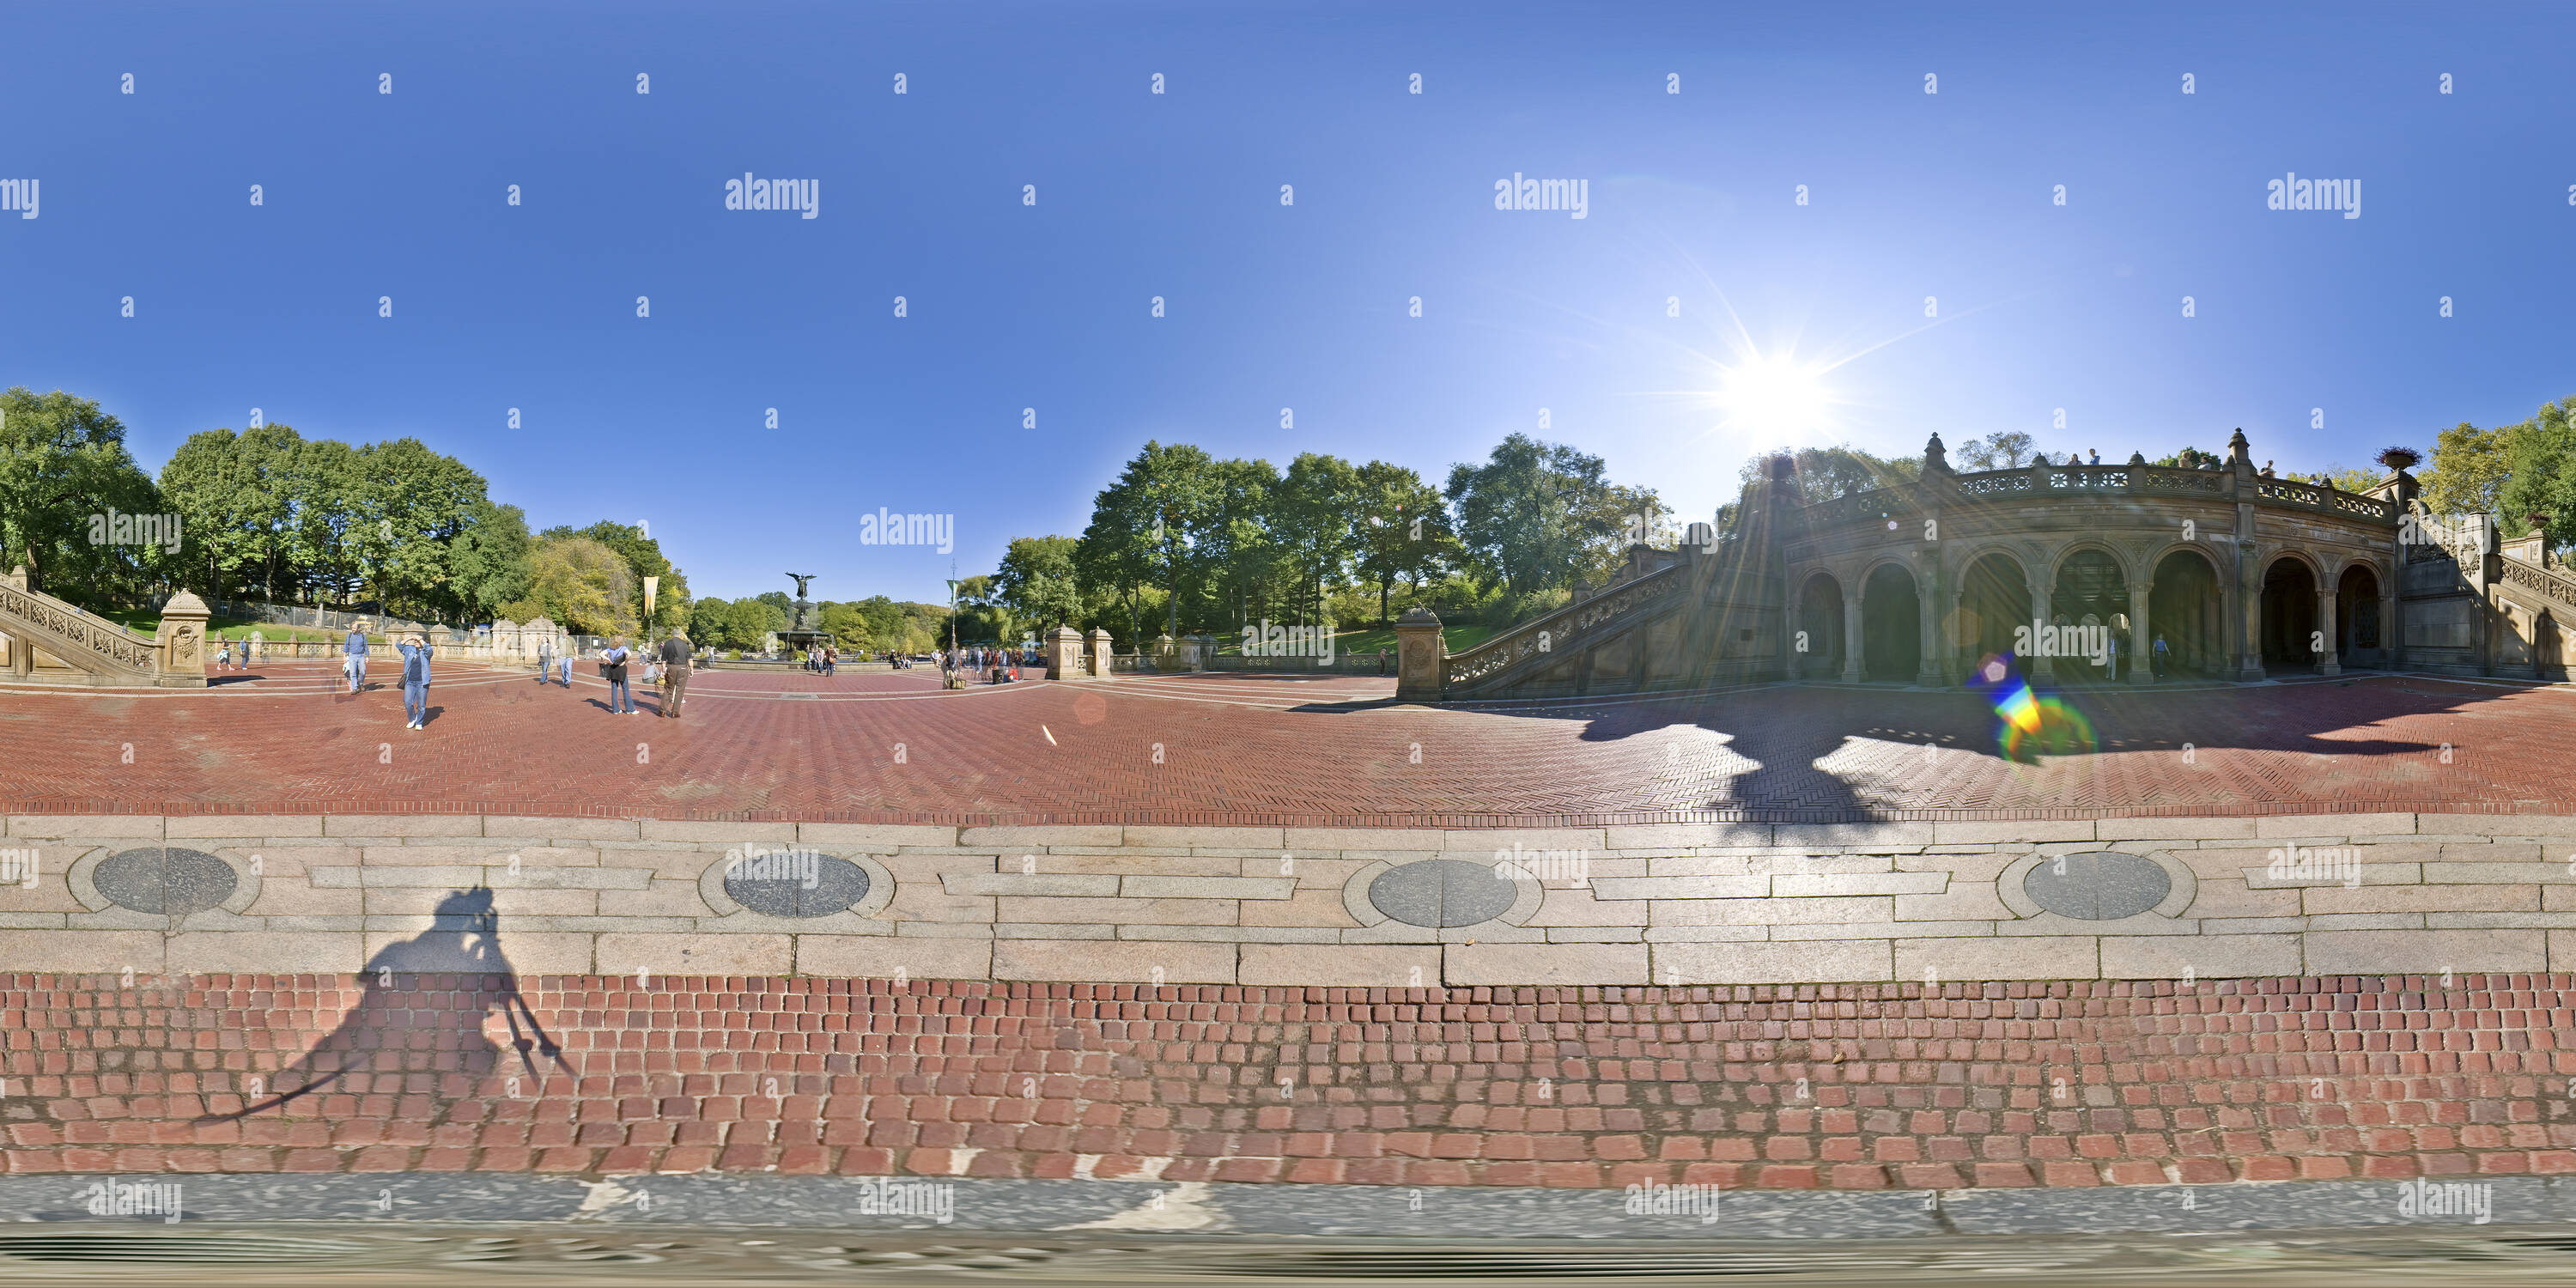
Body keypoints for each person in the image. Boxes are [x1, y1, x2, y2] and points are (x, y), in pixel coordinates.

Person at [398, 632, 434, 729]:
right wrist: (410, 638)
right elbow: (399, 645)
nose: (416, 642)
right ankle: (412, 719)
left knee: (421, 705)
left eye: (417, 641)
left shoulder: (426, 652)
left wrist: (420, 640)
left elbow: (429, 650)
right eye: (415, 641)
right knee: (408, 702)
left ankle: (419, 722)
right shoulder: (410, 649)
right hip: (410, 681)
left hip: (422, 681)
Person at [658, 627, 691, 719]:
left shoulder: (667, 644)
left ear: (672, 634)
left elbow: (663, 659)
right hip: (683, 668)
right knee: (680, 690)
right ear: (680, 634)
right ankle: (675, 712)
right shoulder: (685, 644)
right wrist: (692, 669)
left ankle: (662, 711)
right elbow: (689, 659)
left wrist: (663, 670)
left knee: (668, 689)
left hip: (671, 667)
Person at [603, 636, 635, 714]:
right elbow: (629, 654)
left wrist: (608, 660)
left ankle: (616, 710)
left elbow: (601, 654)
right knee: (625, 689)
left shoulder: (610, 649)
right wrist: (625, 662)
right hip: (621, 669)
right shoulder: (623, 648)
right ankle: (630, 709)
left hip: (613, 669)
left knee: (614, 689)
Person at [343, 625, 368, 693]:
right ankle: (354, 688)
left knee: (363, 671)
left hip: (361, 656)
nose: (353, 629)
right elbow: (346, 645)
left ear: (359, 629)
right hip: (352, 656)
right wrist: (344, 656)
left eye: (354, 628)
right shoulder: (349, 636)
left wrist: (367, 656)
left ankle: (361, 683)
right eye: (352, 628)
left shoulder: (363, 636)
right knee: (353, 673)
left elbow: (366, 646)